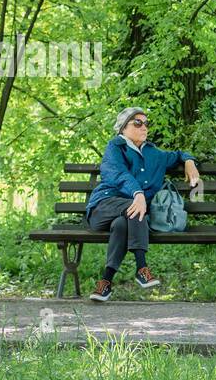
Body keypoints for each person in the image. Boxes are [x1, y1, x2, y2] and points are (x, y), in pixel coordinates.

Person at [84, 107, 201, 303]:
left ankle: (105, 281)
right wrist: (137, 194)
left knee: (123, 223)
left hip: (129, 215)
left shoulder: (155, 154)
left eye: (146, 123)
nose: (144, 126)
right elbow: (118, 174)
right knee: (136, 206)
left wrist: (189, 160)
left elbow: (179, 154)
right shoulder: (115, 147)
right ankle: (141, 266)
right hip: (104, 207)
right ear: (123, 128)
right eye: (137, 123)